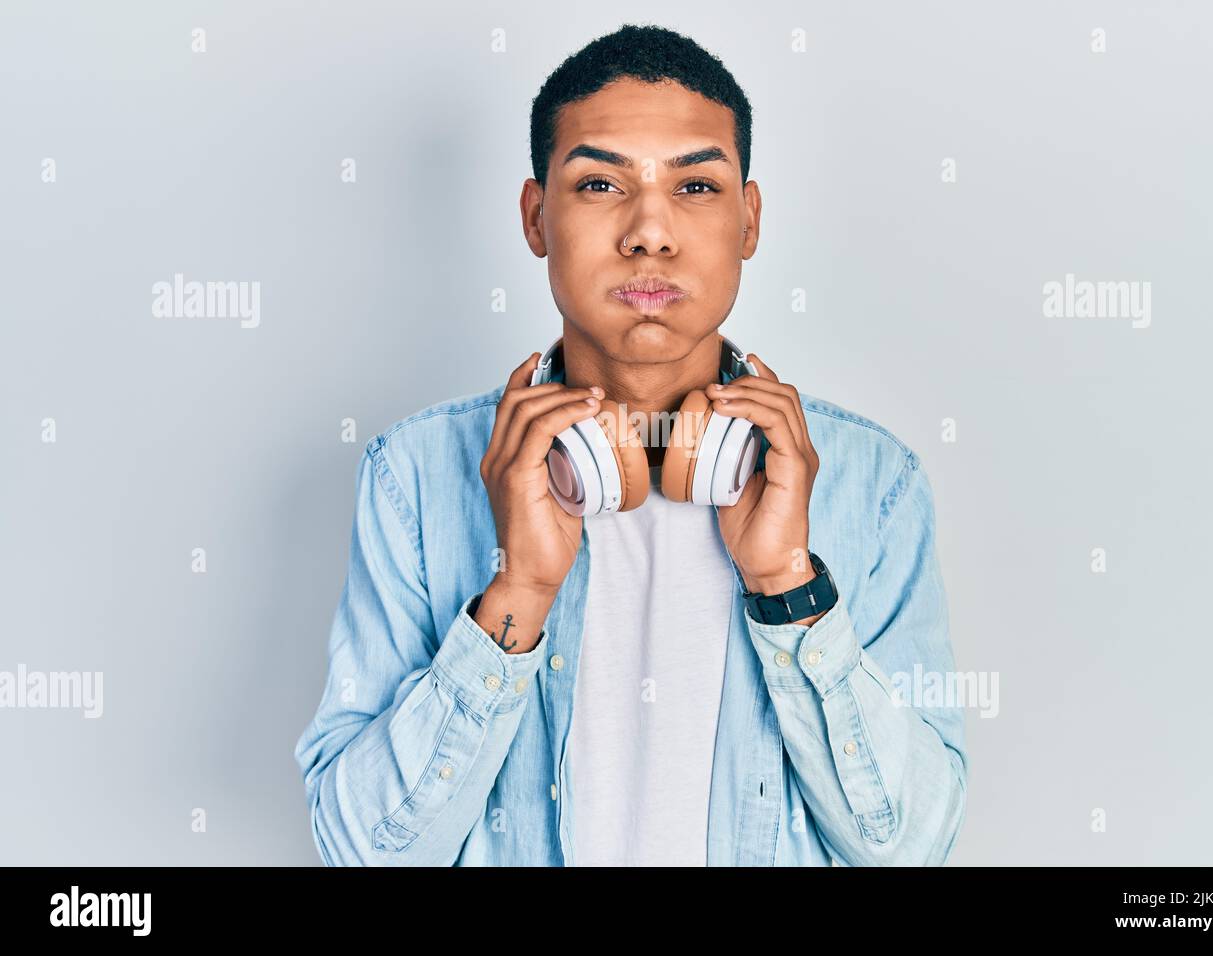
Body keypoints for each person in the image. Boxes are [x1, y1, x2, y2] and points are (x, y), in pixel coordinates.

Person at [294, 23, 967, 866]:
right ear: (537, 216)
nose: (650, 232)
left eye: (696, 186)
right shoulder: (414, 474)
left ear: (749, 220)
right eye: (601, 183)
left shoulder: (873, 481)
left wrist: (788, 584)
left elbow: (910, 849)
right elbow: (364, 852)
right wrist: (519, 590)